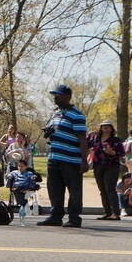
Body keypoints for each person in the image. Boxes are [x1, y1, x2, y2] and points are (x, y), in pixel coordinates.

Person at [37, 84, 88, 228]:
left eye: (58, 95)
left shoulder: (77, 115)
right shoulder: (56, 114)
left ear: (67, 97)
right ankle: (55, 216)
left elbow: (82, 139)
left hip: (71, 160)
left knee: (74, 191)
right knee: (54, 190)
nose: (55, 98)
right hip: (54, 158)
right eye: (55, 95)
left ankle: (74, 218)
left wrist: (84, 161)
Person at [88, 121, 126, 220]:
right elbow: (86, 144)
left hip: (111, 166)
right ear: (100, 128)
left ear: (112, 128)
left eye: (108, 126)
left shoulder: (116, 140)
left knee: (110, 189)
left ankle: (116, 213)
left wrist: (112, 152)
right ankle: (107, 212)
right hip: (98, 166)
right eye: (103, 126)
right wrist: (90, 134)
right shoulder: (95, 139)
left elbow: (122, 153)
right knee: (102, 189)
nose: (106, 127)